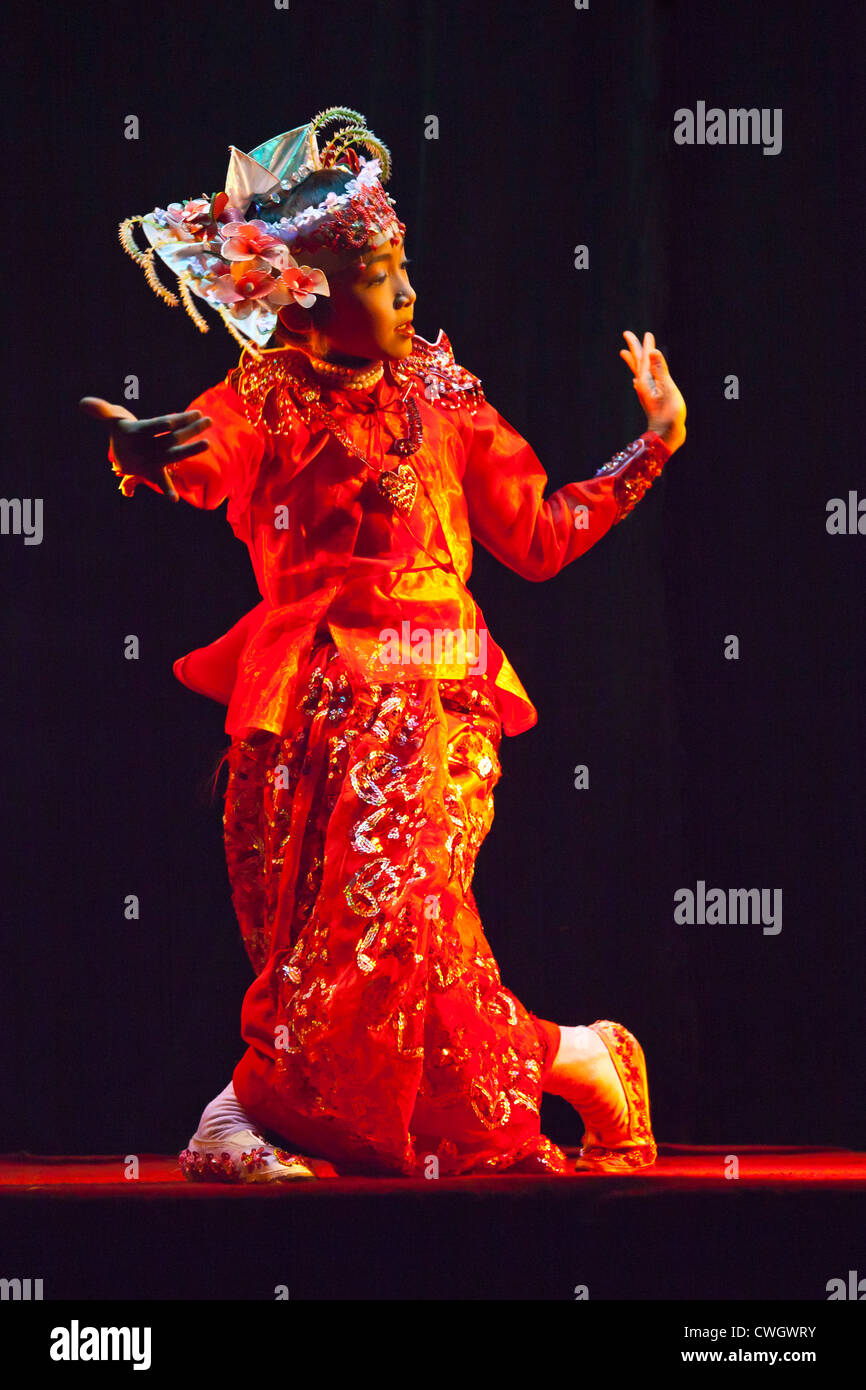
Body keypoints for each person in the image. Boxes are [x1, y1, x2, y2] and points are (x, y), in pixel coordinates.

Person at [80, 107, 686, 1180]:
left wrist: (648, 450)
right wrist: (147, 455)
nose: (403, 288)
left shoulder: (444, 396)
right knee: (347, 945)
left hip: (438, 710)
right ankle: (579, 1056)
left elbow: (538, 539)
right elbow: (207, 457)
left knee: (385, 929)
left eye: (399, 264)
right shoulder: (262, 396)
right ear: (304, 301)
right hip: (305, 705)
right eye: (373, 271)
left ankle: (238, 1114)